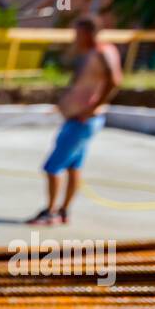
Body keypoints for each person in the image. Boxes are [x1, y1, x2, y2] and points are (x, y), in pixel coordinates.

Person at [28, 15, 123, 226]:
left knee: (52, 167)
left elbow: (114, 80)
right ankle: (63, 211)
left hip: (82, 121)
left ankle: (50, 212)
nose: (75, 38)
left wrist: (92, 108)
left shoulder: (101, 53)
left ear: (88, 33)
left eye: (78, 33)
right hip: (80, 118)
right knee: (73, 166)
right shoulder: (95, 53)